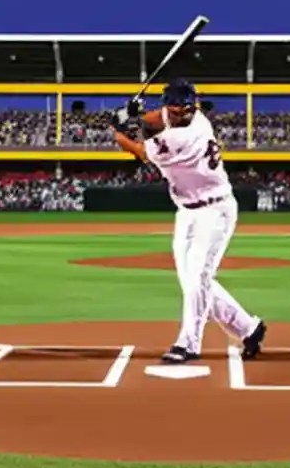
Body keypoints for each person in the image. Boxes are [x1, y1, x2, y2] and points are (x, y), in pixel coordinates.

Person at [110, 78, 267, 364]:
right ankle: (249, 328)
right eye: (176, 108)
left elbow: (139, 150)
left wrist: (119, 127)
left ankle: (189, 343)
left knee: (198, 278)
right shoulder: (186, 119)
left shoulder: (186, 136)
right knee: (193, 281)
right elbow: (157, 120)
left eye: (186, 108)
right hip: (187, 212)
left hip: (214, 211)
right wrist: (135, 114)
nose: (183, 112)